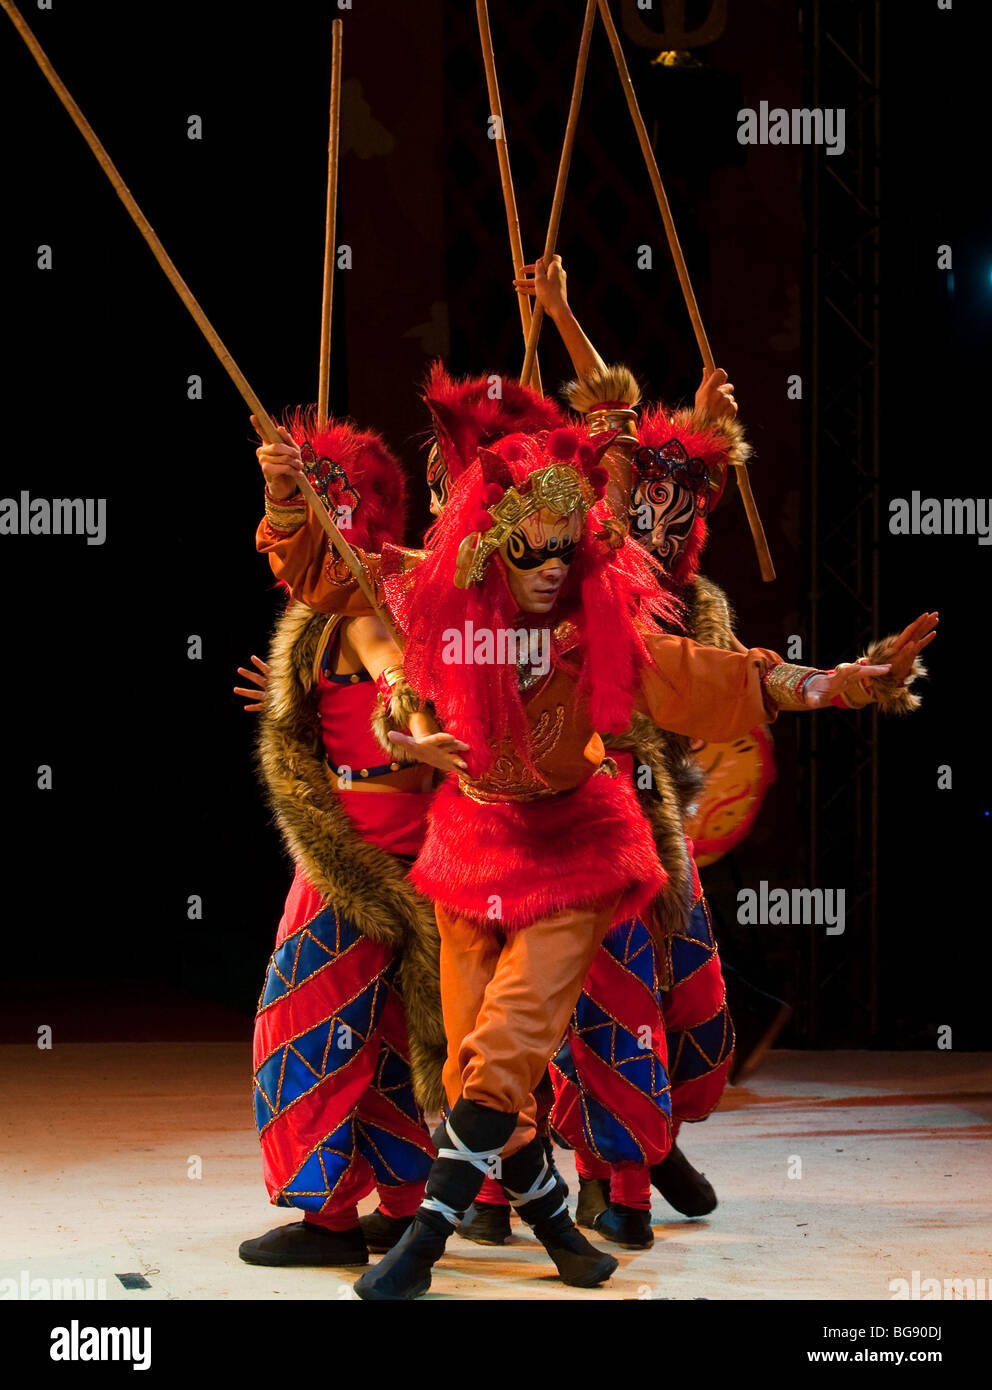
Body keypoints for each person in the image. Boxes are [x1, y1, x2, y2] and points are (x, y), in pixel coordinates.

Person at [253, 402, 929, 1298]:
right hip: (468, 847)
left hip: (575, 850)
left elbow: (728, 679)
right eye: (528, 549)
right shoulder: (441, 597)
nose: (546, 569)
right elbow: (330, 575)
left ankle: (421, 1244)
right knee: (474, 1075)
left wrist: (842, 684)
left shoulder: (607, 627)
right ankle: (565, 1243)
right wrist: (286, 496)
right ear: (493, 542)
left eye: (564, 550)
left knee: (506, 1048)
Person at [239, 410, 455, 1269]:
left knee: (299, 1026)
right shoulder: (349, 602)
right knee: (388, 1033)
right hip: (409, 850)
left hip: (358, 855)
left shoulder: (371, 598)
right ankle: (404, 1206)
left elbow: (388, 668)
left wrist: (413, 719)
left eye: (320, 501)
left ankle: (328, 1219)